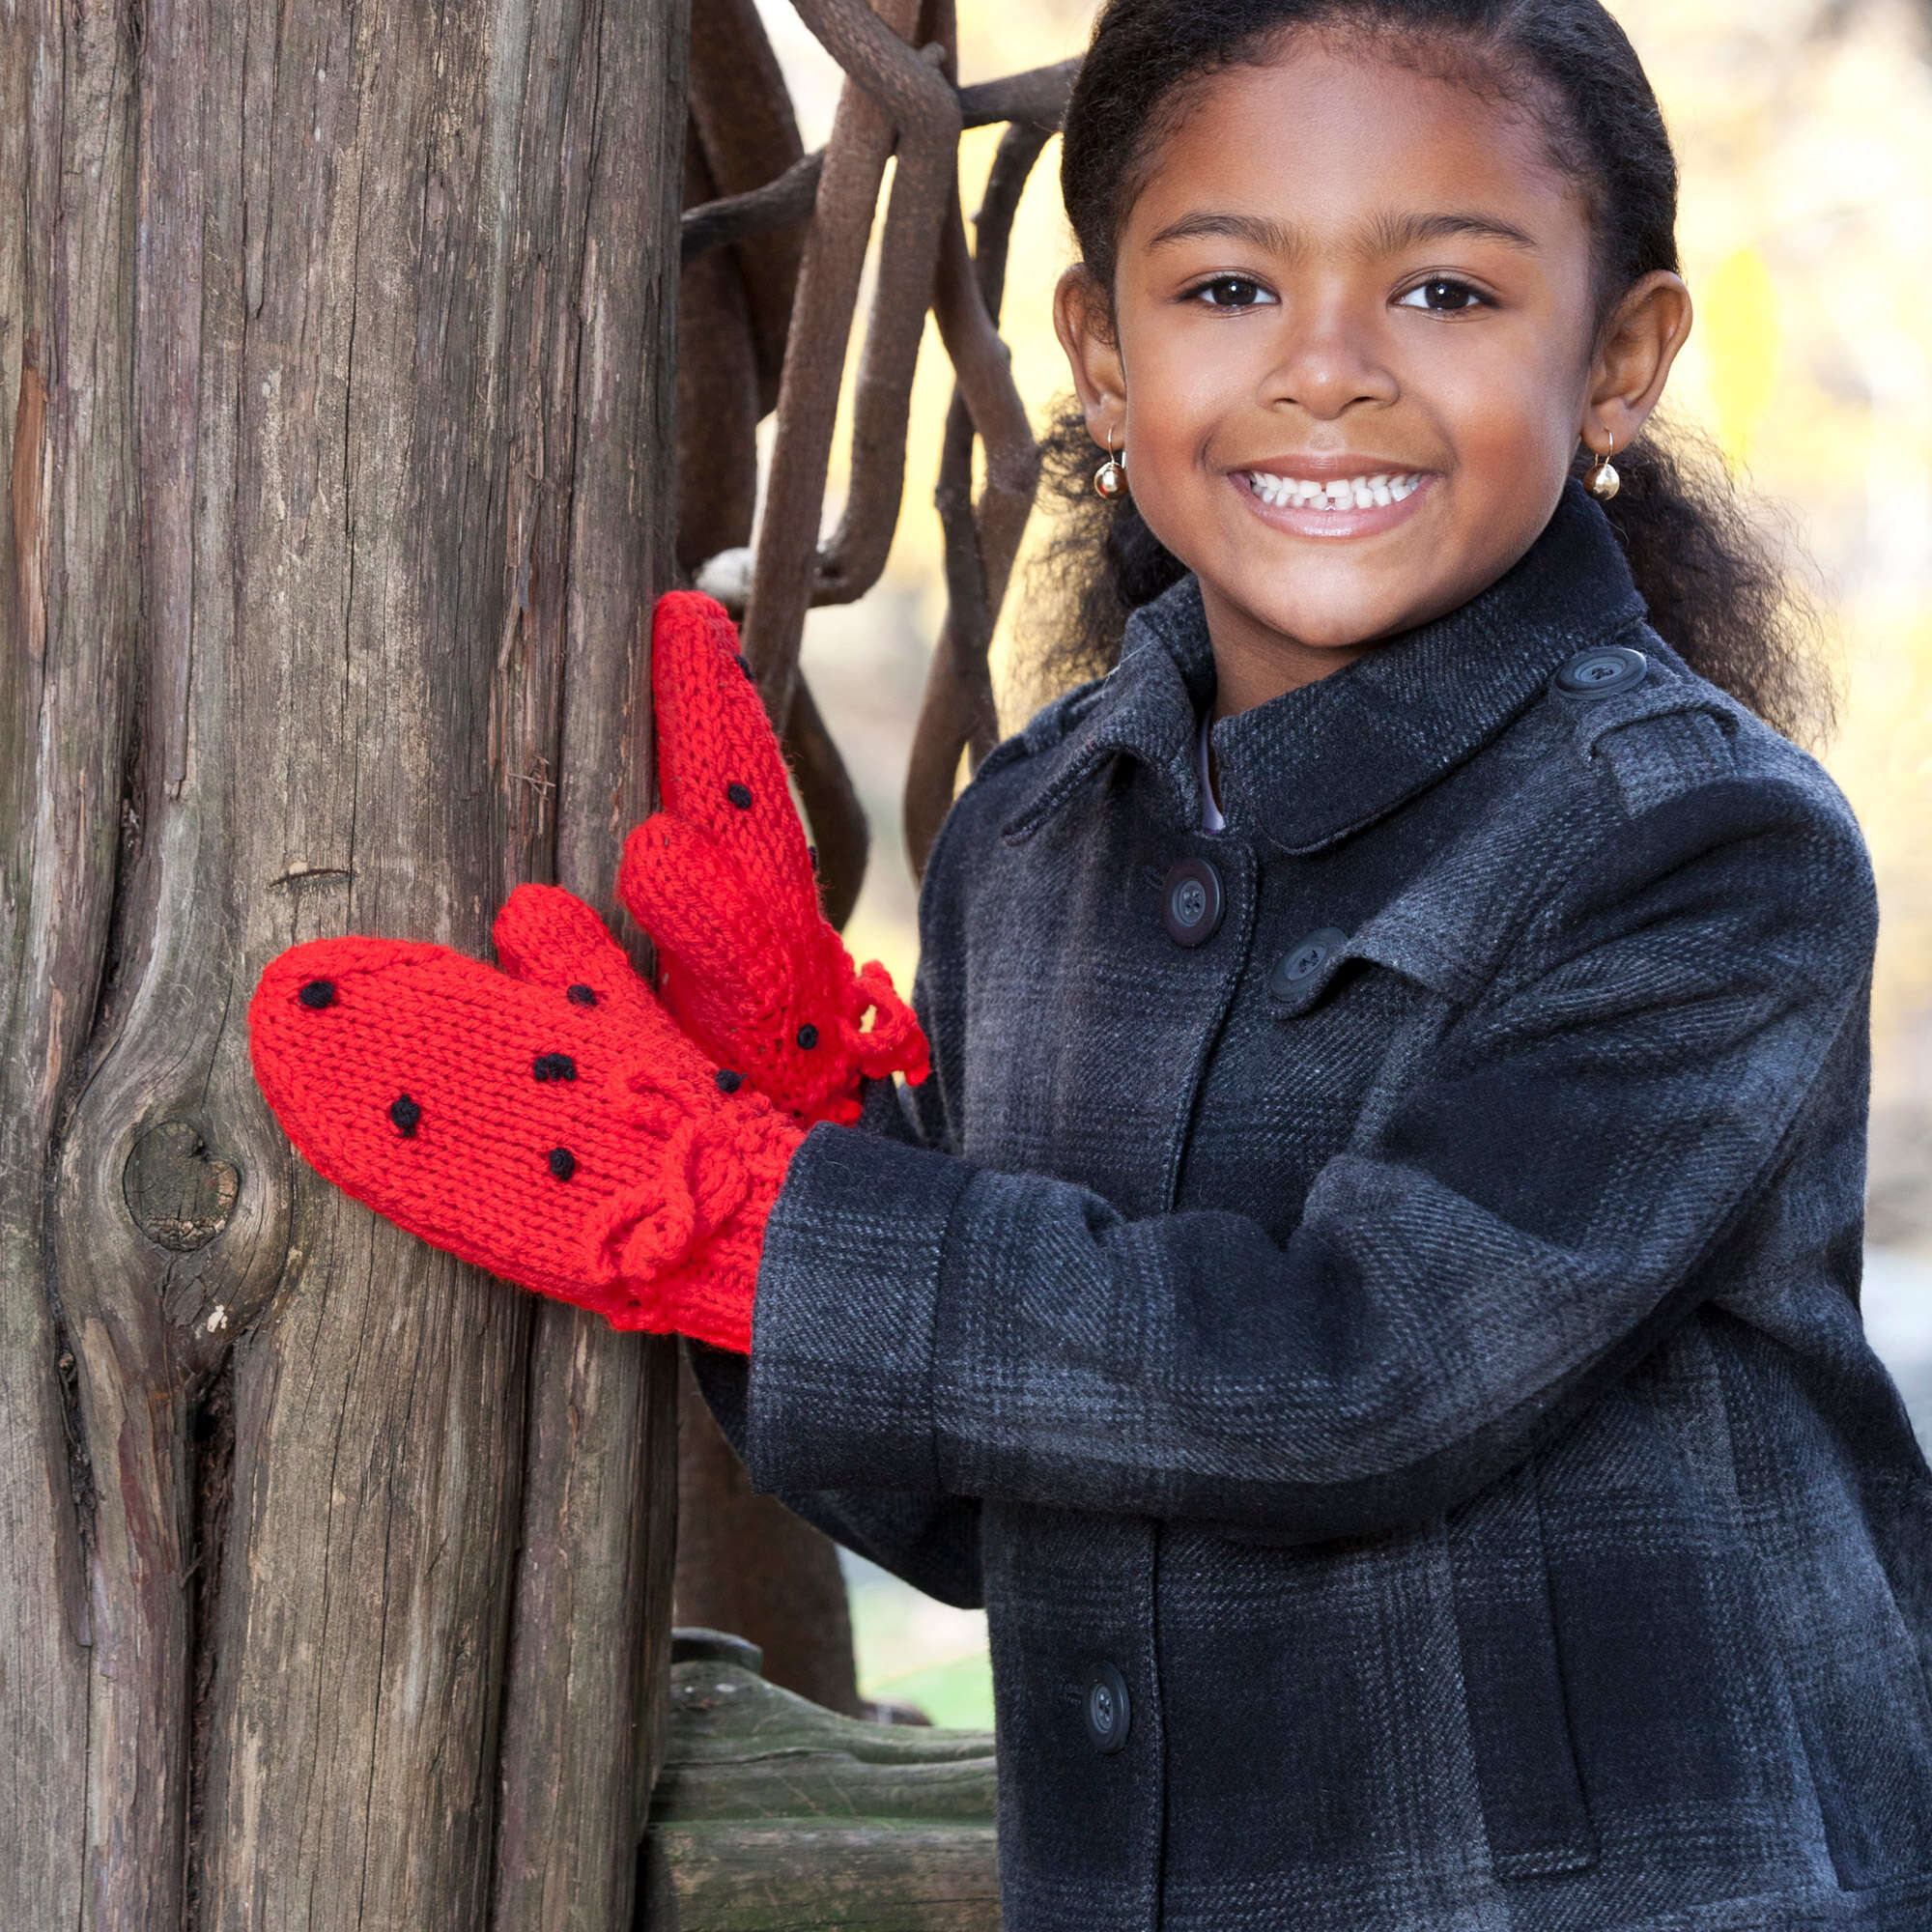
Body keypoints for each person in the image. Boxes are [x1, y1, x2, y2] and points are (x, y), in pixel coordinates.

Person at [247, 0, 1932, 1924]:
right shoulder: (1038, 833)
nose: (1326, 369)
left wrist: (733, 1212)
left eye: (1445, 294)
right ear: (1104, 356)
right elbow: (1009, 1500)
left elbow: (1362, 1373)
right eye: (1227, 288)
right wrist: (790, 1101)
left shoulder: (1698, 848)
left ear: (1618, 359)